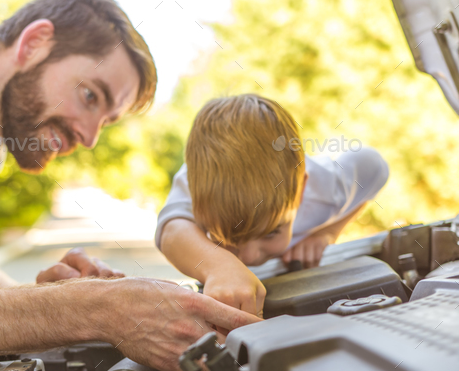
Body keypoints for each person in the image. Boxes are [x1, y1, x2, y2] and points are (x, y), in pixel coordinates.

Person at [0, 0, 260, 371]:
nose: (90, 138)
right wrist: (90, 308)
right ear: (35, 43)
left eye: (106, 122)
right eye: (91, 95)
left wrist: (58, 298)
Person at [156, 94, 389, 318]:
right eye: (226, 236)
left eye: (270, 233)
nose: (247, 256)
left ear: (300, 193)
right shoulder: (199, 181)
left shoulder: (327, 190)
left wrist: (327, 233)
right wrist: (219, 266)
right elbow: (171, 230)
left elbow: (376, 168)